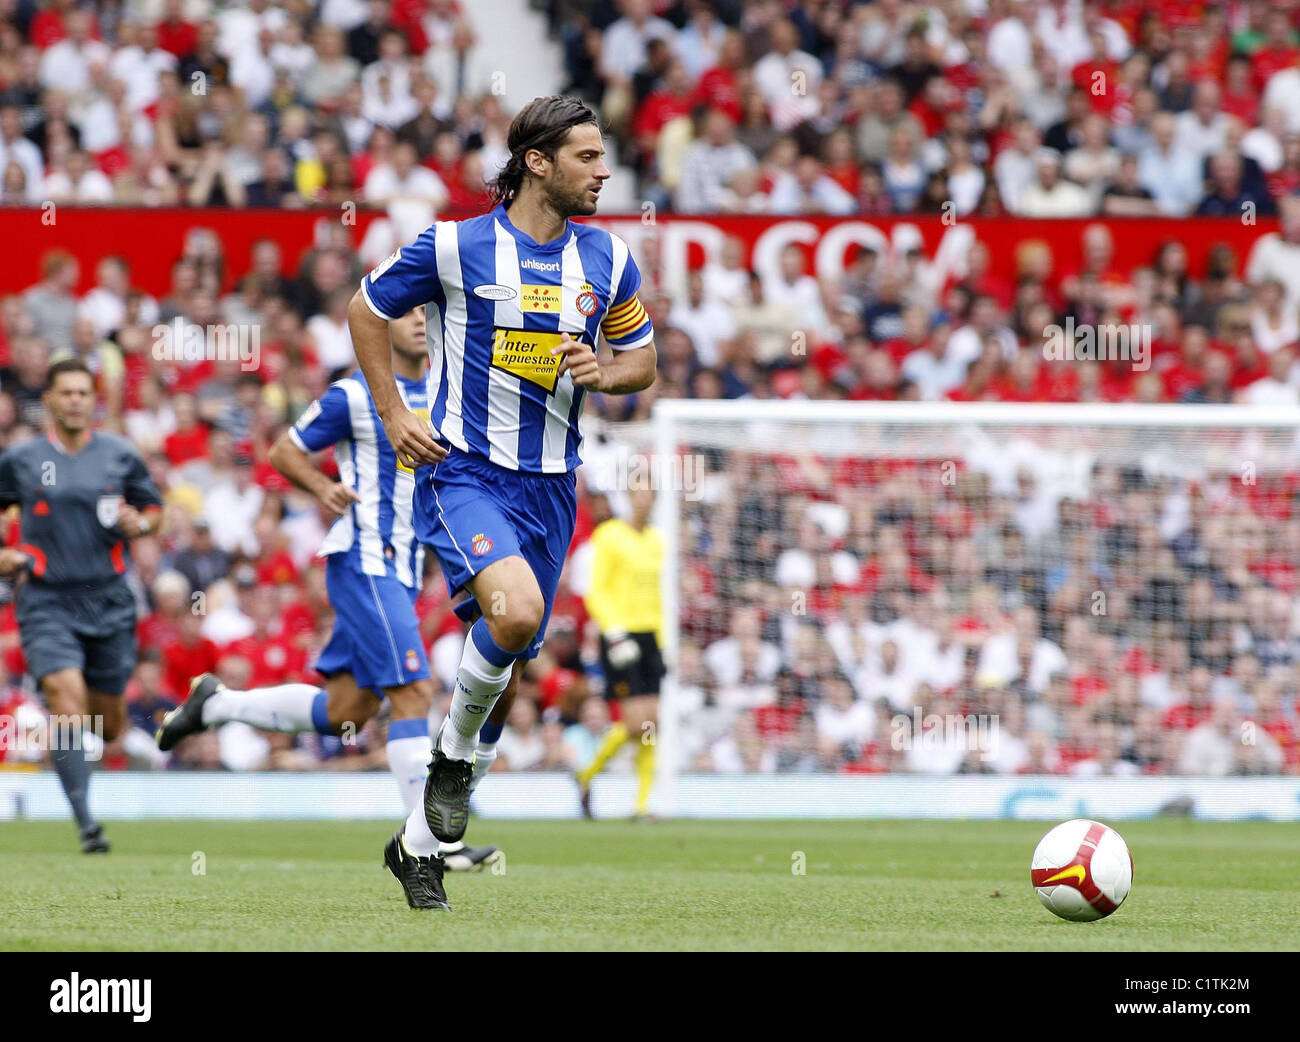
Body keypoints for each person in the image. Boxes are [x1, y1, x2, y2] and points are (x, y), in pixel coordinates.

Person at [347, 94, 657, 910]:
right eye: (587, 157)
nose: (605, 170)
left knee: (507, 670)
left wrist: (606, 371)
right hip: (464, 472)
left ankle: (418, 846)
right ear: (537, 163)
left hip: (552, 487)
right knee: (515, 617)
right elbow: (367, 309)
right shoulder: (454, 247)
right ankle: (449, 769)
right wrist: (393, 413)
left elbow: (643, 360)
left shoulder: (609, 260)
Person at [155, 308, 500, 889]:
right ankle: (436, 843)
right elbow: (285, 451)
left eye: (428, 312)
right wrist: (323, 487)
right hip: (364, 563)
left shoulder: (448, 395)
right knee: (414, 689)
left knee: (346, 711)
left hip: (405, 571)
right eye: (407, 312)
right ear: (380, 327)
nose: (419, 321)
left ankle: (216, 705)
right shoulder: (355, 395)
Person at [0, 359, 163, 852]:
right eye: (65, 392)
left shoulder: (119, 455)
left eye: (82, 392)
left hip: (110, 600)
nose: (74, 400)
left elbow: (154, 509)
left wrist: (145, 524)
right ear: (47, 399)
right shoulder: (21, 459)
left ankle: (87, 786)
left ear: (93, 400)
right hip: (47, 599)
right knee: (66, 701)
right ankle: (87, 825)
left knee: (108, 724)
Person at [575, 488, 664, 819]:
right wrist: (612, 631)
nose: (644, 499)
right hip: (619, 635)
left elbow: (656, 593)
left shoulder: (656, 540)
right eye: (638, 492)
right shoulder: (609, 535)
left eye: (650, 493)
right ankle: (586, 774)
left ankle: (641, 805)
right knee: (635, 722)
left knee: (652, 723)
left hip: (650, 636)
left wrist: (662, 640)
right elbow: (596, 588)